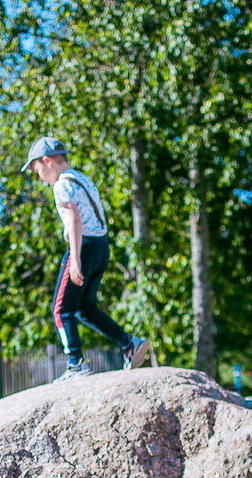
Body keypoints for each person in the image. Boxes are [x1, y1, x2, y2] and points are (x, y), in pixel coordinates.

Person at [21, 136, 150, 382]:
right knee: (85, 308)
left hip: (84, 245)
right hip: (102, 246)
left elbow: (74, 221)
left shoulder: (61, 185)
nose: (38, 175)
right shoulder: (83, 178)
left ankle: (75, 364)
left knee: (61, 310)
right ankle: (129, 343)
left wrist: (76, 260)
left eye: (36, 168)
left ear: (47, 161)